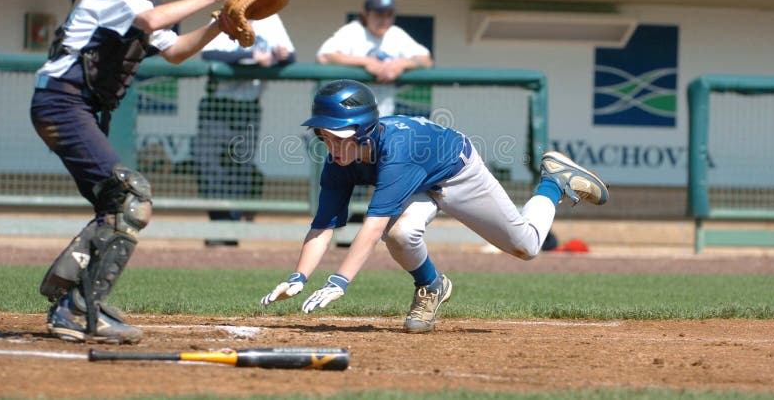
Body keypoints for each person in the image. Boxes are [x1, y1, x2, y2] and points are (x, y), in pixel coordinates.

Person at [29, 0, 255, 344]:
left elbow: (175, 50)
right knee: (131, 196)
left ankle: (74, 298)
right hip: (62, 102)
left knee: (118, 204)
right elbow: (150, 21)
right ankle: (77, 305)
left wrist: (218, 23)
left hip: (70, 106)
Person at [260, 80, 610, 333]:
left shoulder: (395, 154)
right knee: (401, 234)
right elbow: (323, 226)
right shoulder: (338, 163)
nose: (331, 146)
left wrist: (339, 281)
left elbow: (371, 227)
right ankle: (431, 286)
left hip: (456, 173)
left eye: (340, 138)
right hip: (420, 179)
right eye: (324, 136)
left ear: (365, 132)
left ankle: (553, 182)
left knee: (527, 246)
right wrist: (299, 276)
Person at [195, 0, 296, 224]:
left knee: (240, 165)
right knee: (208, 164)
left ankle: (236, 219)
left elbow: (290, 57)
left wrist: (278, 57)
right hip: (218, 104)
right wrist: (250, 60)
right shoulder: (226, 15)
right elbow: (210, 56)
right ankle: (220, 222)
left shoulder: (271, 19)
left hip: (248, 106)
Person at [316, 0, 432, 117]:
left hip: (383, 118)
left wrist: (400, 64)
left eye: (389, 15)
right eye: (379, 14)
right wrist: (367, 62)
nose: (384, 20)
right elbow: (325, 55)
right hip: (348, 117)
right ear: (366, 15)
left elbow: (426, 59)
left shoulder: (395, 34)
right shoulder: (354, 31)